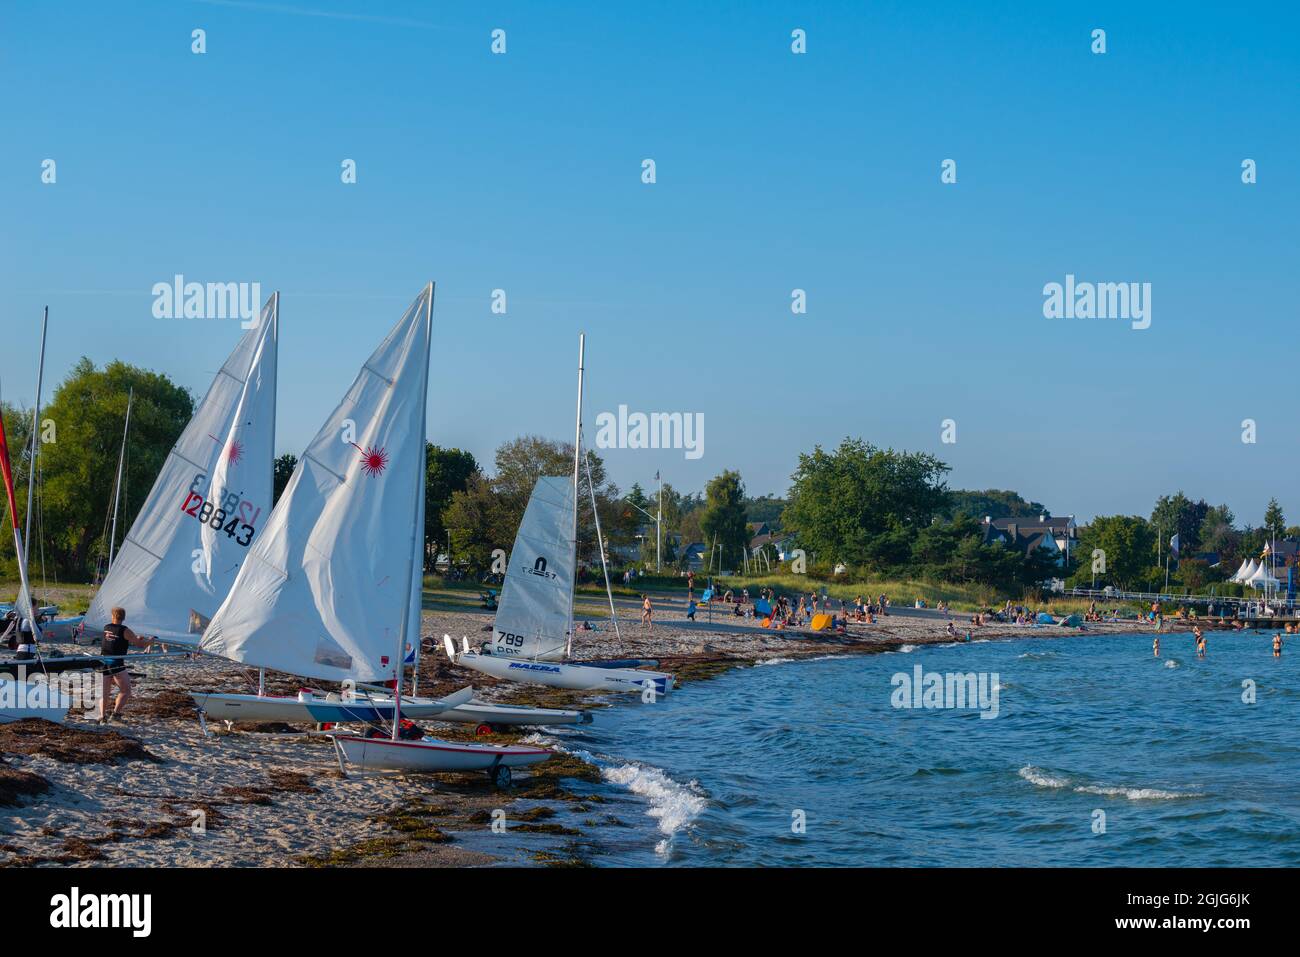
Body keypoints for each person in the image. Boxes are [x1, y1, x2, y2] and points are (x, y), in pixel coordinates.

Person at [98, 606, 147, 723]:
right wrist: (151, 641)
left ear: (112, 616)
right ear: (123, 618)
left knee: (105, 693)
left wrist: (135, 638)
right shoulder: (125, 630)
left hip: (102, 662)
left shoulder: (106, 627)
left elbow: (117, 640)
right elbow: (140, 644)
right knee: (126, 691)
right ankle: (116, 714)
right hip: (116, 664)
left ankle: (102, 716)